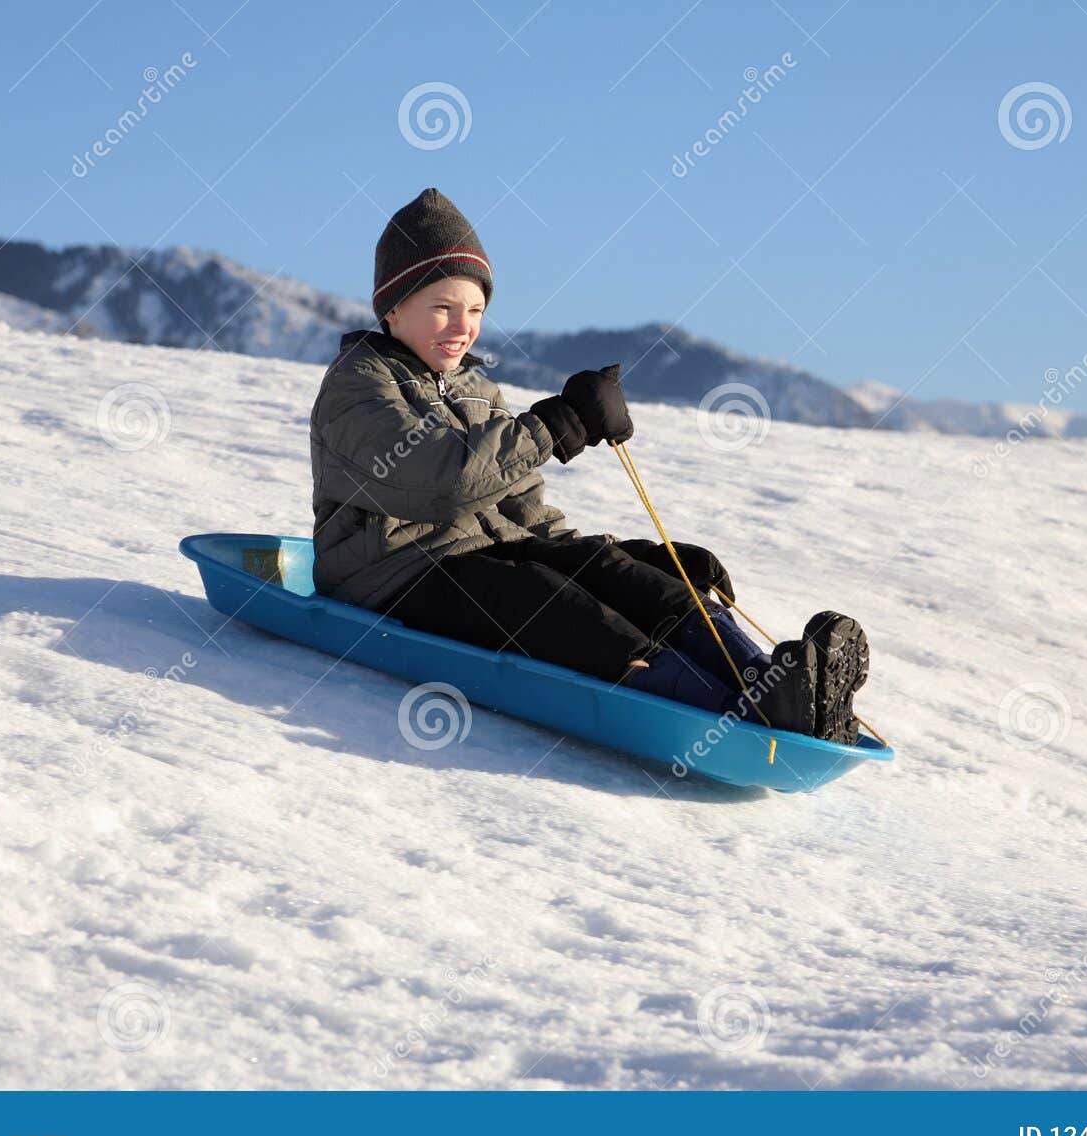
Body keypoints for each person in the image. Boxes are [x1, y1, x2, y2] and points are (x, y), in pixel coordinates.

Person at [308, 188, 870, 742]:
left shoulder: (475, 387)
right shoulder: (359, 386)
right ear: (393, 307)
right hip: (395, 573)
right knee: (555, 606)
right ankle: (728, 714)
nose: (462, 327)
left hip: (489, 553)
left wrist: (621, 558)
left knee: (629, 584)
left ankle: (780, 688)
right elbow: (442, 481)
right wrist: (554, 425)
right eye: (442, 308)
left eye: (475, 309)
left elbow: (523, 510)